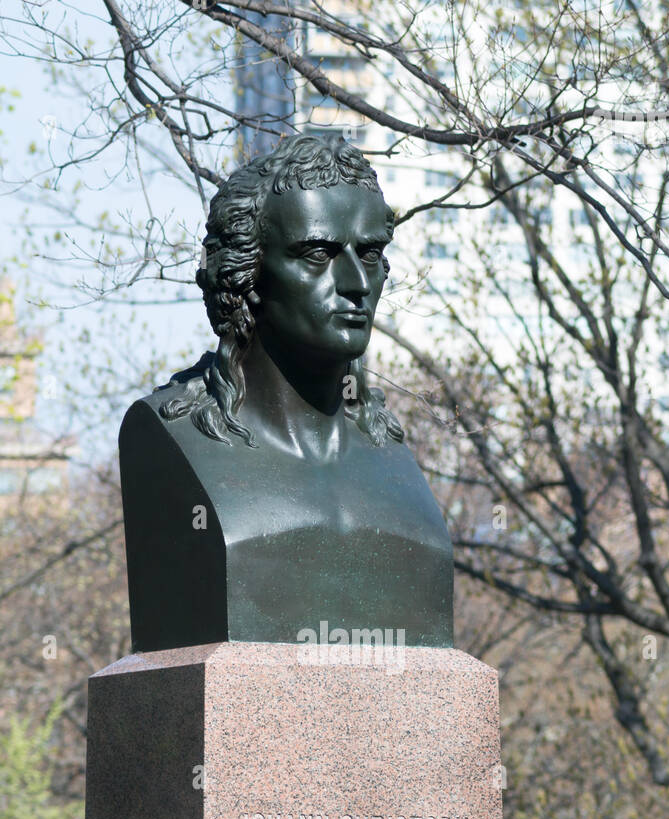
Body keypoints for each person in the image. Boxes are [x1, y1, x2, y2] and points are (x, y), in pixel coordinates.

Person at [119, 132, 453, 652]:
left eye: (369, 254)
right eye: (317, 254)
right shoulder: (166, 436)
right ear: (247, 275)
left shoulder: (392, 457)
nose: (355, 282)